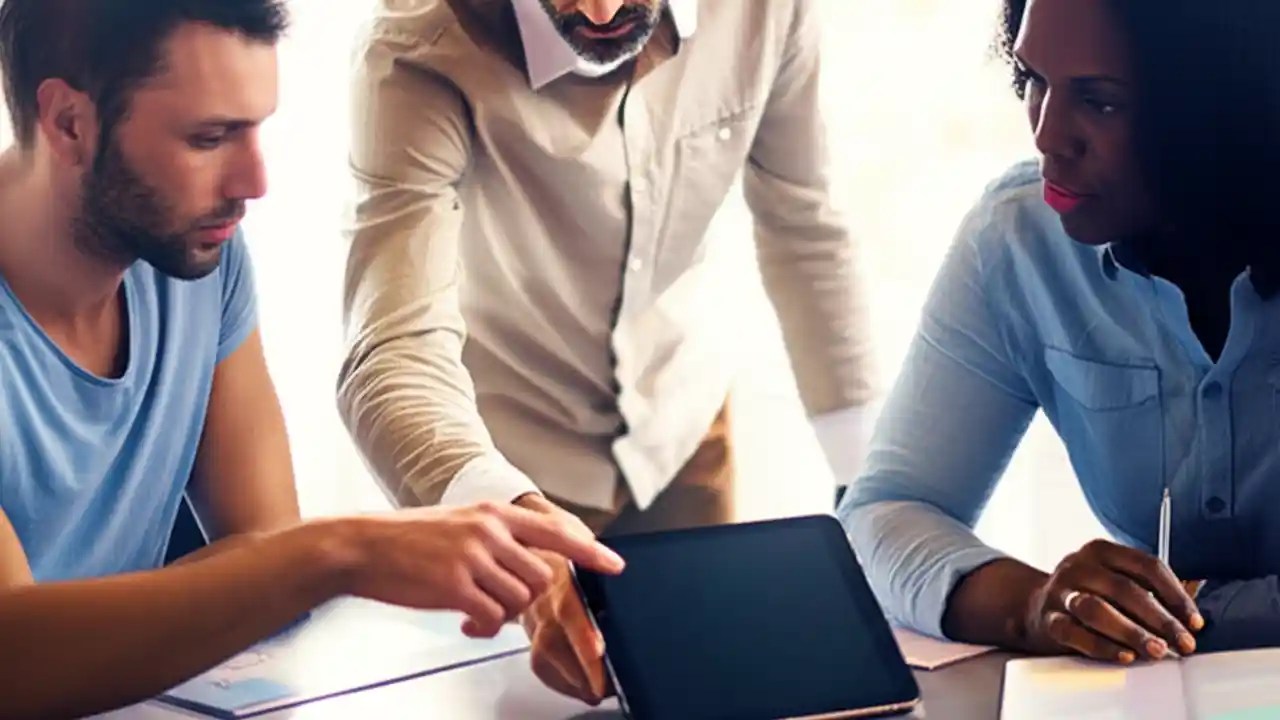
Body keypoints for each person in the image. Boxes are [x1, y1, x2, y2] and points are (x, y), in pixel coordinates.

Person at [0, 2, 624, 718]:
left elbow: (263, 549)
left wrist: (294, 564)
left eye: (256, 128)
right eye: (209, 138)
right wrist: (342, 553)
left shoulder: (204, 261)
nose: (254, 181)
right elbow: (12, 657)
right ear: (69, 123)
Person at [340, 0, 875, 704]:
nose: (599, 11)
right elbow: (391, 351)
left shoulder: (766, 11)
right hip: (506, 461)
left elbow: (804, 228)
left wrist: (870, 488)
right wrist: (504, 521)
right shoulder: (418, 49)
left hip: (684, 438)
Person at [841, 0, 1280, 666]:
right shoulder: (1018, 243)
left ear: (1229, 107)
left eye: (1100, 103)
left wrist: (1181, 616)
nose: (1047, 136)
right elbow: (885, 512)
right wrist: (1039, 605)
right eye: (1033, 81)